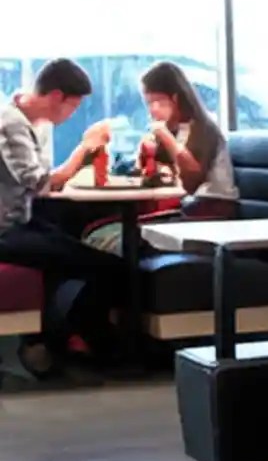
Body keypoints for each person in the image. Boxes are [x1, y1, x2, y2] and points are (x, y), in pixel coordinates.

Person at [0, 58, 122, 356]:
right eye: (74, 106)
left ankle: (61, 338)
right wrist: (84, 149)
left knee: (80, 251)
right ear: (57, 97)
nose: (72, 114)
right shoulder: (10, 123)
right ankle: (95, 343)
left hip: (19, 219)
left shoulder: (24, 120)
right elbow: (41, 183)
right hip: (6, 229)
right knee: (107, 267)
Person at [84, 61, 238, 255]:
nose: (153, 110)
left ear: (176, 98)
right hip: (185, 206)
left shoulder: (203, 129)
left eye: (159, 102)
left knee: (130, 234)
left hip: (211, 209)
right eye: (149, 103)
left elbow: (191, 181)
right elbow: (152, 173)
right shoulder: (171, 131)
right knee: (99, 226)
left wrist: (166, 137)